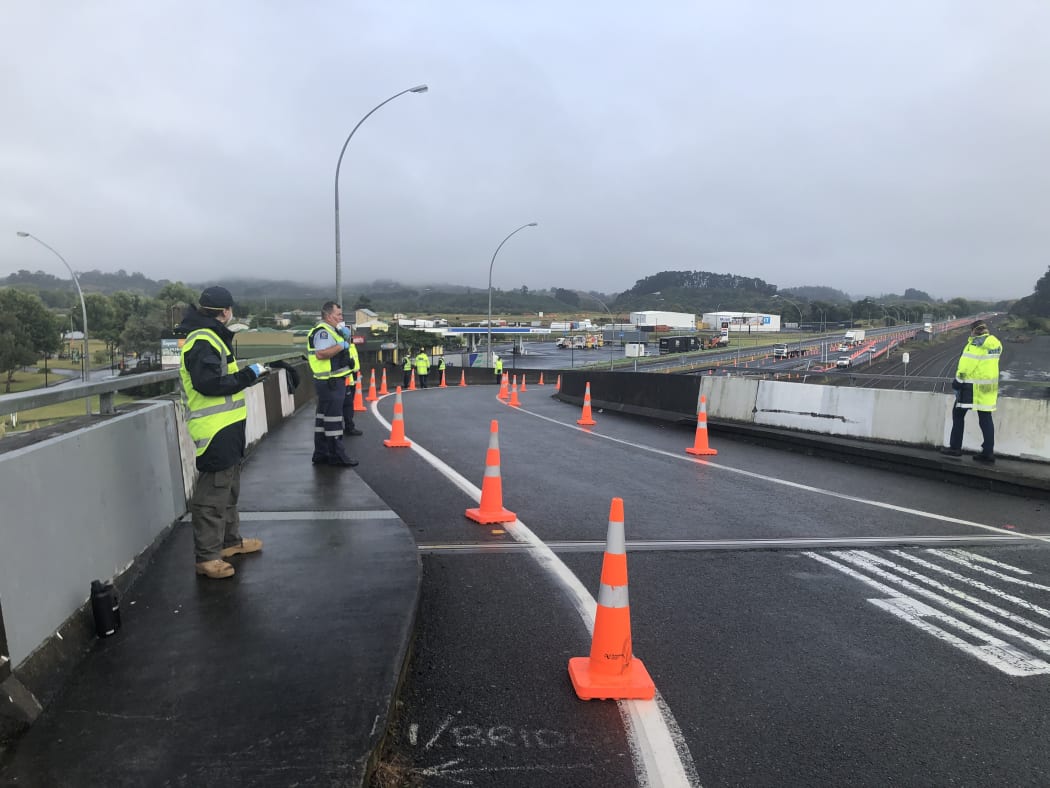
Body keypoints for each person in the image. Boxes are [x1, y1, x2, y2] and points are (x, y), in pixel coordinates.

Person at [177, 286, 267, 580]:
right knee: (212, 493)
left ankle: (228, 543)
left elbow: (219, 380)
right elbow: (209, 384)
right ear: (225, 312)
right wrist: (248, 375)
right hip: (214, 429)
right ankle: (207, 557)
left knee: (228, 489)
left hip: (227, 427)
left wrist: (248, 377)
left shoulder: (211, 337)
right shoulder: (203, 340)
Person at [941, 320, 1002, 463]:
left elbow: (966, 367)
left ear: (973, 330)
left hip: (971, 387)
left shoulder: (975, 344)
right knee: (985, 419)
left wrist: (957, 382)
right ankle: (988, 452)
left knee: (958, 414)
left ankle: (955, 448)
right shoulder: (996, 344)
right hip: (988, 388)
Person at [307, 302, 359, 468]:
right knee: (334, 421)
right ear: (328, 316)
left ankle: (322, 453)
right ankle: (337, 455)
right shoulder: (323, 332)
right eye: (338, 315)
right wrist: (341, 345)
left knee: (323, 419)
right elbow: (321, 354)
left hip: (332, 382)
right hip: (331, 382)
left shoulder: (332, 330)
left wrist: (343, 339)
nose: (341, 317)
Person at [342, 325, 362, 437]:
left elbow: (355, 362)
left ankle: (349, 426)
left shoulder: (352, 347)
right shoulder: (342, 347)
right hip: (344, 379)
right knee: (345, 405)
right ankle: (347, 427)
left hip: (352, 378)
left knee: (349, 405)